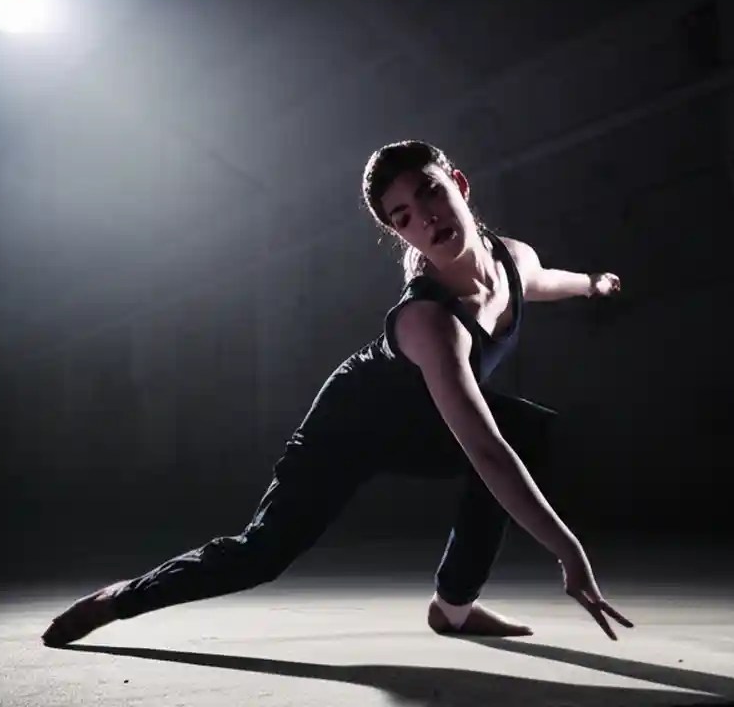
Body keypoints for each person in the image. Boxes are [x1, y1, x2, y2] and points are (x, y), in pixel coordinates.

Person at [41, 140, 631, 647]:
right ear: (398, 232)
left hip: (420, 420)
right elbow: (483, 450)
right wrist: (567, 549)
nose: (424, 218)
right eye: (402, 217)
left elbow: (543, 280)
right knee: (263, 554)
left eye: (428, 192)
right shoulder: (429, 319)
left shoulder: (514, 259)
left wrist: (593, 285)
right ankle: (119, 599)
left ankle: (452, 608)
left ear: (459, 183)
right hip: (350, 426)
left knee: (529, 431)